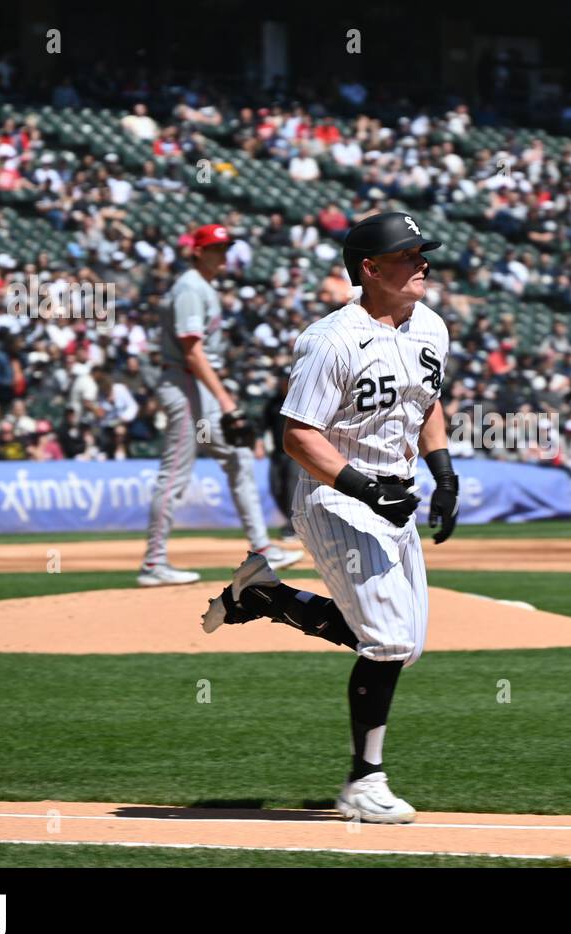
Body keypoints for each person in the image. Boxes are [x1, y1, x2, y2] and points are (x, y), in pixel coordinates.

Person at [200, 211, 458, 825]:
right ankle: (364, 782)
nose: (423, 263)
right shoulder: (331, 339)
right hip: (334, 495)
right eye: (408, 256)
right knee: (389, 640)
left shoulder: (431, 327)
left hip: (393, 496)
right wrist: (364, 488)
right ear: (369, 269)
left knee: (404, 647)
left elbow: (428, 403)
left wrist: (443, 473)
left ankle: (266, 597)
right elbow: (297, 436)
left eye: (423, 253)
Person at [138, 223, 302, 586]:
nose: (223, 254)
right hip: (185, 384)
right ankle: (153, 563)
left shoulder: (203, 287)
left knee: (239, 458)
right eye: (215, 248)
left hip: (200, 386)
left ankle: (261, 548)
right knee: (175, 474)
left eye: (226, 248)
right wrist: (227, 402)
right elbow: (192, 352)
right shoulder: (190, 288)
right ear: (197, 251)